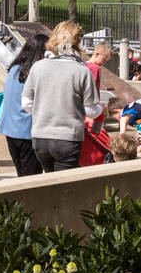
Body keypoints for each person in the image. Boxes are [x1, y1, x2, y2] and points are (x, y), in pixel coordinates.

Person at [20, 20, 100, 173]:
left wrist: (44, 111)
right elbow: (90, 110)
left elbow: (26, 103)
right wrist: (100, 109)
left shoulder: (38, 67)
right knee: (64, 187)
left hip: (40, 136)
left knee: (50, 181)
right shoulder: (82, 71)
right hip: (68, 137)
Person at [0, 31, 50, 177]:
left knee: (22, 174)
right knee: (31, 177)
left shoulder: (15, 68)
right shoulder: (35, 72)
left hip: (10, 129)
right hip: (27, 131)